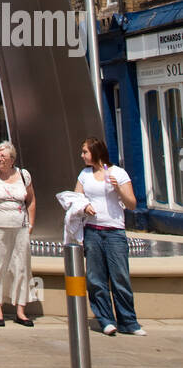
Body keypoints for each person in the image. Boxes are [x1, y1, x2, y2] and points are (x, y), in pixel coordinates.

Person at [75, 137, 145, 336]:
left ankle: (129, 321)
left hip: (114, 231)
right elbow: (76, 197)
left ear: (96, 152)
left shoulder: (117, 173)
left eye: (85, 152)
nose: (82, 156)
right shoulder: (84, 174)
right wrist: (84, 206)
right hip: (93, 230)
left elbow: (131, 204)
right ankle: (105, 319)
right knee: (96, 279)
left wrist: (119, 189)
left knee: (120, 277)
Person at [0, 140, 36, 327]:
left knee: (20, 265)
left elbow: (31, 201)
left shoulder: (23, 175)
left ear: (12, 159)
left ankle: (21, 309)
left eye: (3, 155)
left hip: (20, 226)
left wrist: (31, 224)